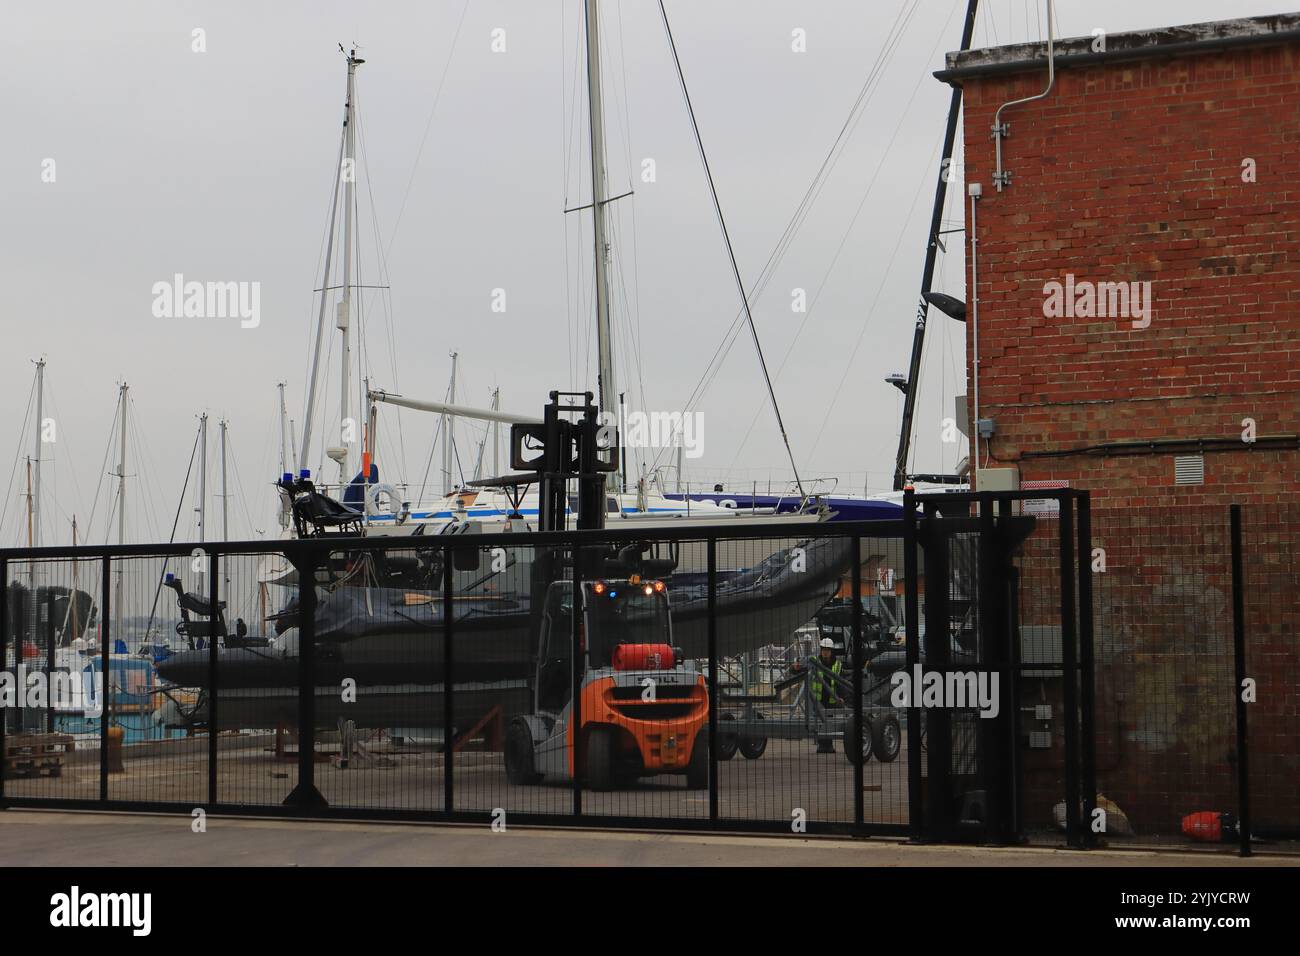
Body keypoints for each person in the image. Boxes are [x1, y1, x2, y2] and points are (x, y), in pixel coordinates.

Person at [793, 637, 843, 753]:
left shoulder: (838, 665)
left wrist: (841, 697)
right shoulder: (814, 661)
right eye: (823, 649)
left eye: (827, 650)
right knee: (819, 722)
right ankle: (821, 745)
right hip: (818, 699)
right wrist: (794, 669)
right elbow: (800, 669)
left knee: (828, 722)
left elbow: (840, 683)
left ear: (831, 651)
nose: (825, 652)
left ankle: (829, 745)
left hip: (831, 699)